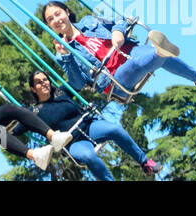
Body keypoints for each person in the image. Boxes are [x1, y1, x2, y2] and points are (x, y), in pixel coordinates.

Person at [41, 2, 196, 101]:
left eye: (58, 14)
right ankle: (162, 52)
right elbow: (77, 83)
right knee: (145, 59)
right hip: (115, 80)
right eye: (50, 19)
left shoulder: (89, 21)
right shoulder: (63, 53)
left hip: (130, 51)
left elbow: (119, 20)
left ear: (67, 12)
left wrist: (117, 31)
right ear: (49, 26)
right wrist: (66, 56)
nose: (56, 20)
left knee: (152, 55)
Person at [24, 69, 158, 180]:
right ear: (33, 89)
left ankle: (145, 162)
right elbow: (16, 127)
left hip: (89, 127)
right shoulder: (34, 112)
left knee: (115, 129)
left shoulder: (61, 92)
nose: (44, 83)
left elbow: (78, 81)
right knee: (89, 156)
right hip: (73, 142)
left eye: (45, 80)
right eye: (38, 82)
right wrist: (9, 115)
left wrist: (67, 57)